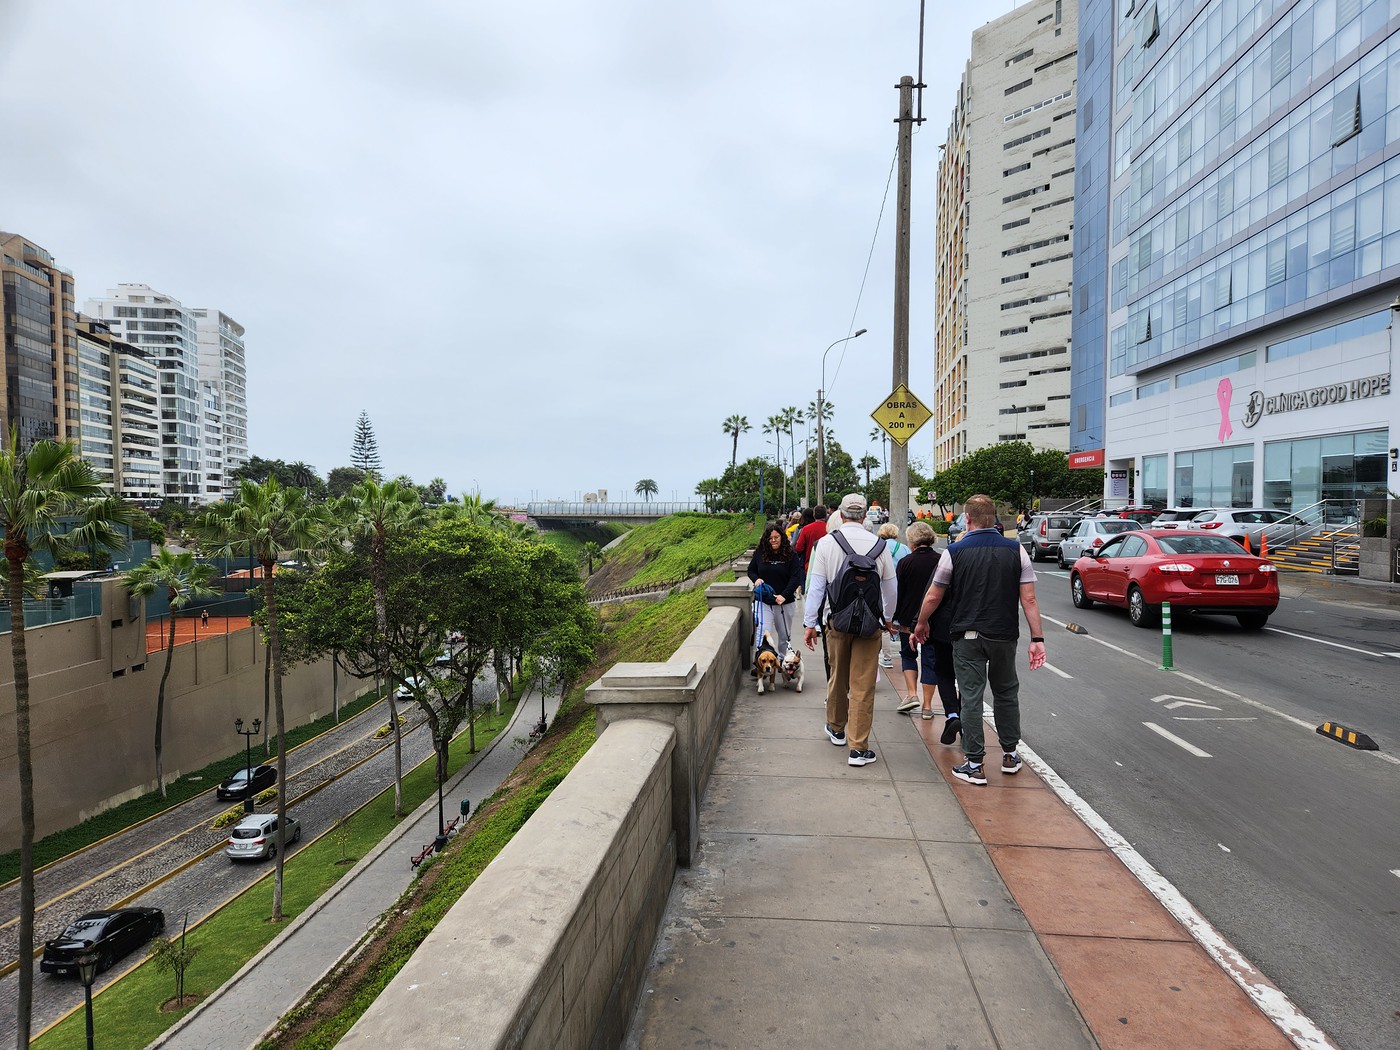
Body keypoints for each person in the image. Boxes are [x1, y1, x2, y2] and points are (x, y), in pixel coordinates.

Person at [912, 493, 1046, 785]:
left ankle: (975, 763)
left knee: (971, 696)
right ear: (995, 518)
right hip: (1004, 634)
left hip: (967, 635)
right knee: (1006, 692)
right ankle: (1010, 755)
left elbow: (935, 594)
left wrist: (921, 623)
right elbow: (1030, 599)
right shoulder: (1016, 550)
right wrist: (1038, 638)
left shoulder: (955, 552)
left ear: (968, 519)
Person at [802, 493, 897, 768]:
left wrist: (811, 624)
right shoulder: (880, 545)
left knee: (837, 677)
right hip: (870, 626)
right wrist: (888, 618)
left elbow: (816, 587)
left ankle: (836, 728)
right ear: (865, 515)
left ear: (841, 515)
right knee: (863, 685)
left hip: (837, 622)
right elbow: (891, 588)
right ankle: (858, 748)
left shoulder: (826, 544)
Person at [890, 521, 960, 729]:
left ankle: (911, 694)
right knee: (931, 659)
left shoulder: (905, 562)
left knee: (908, 655)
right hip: (934, 619)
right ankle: (928, 706)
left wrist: (895, 617)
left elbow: (898, 592)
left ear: (912, 541)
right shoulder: (941, 560)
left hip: (907, 617)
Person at [747, 522, 803, 653]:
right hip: (764, 601)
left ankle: (784, 659)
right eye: (770, 538)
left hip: (784, 601)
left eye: (776, 537)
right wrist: (756, 579)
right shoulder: (760, 553)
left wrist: (784, 595)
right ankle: (760, 660)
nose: (773, 540)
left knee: (784, 635)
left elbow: (796, 577)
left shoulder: (791, 554)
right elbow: (751, 570)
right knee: (763, 632)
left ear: (781, 537)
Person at [875, 522, 908, 671]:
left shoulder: (877, 548)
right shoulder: (904, 548)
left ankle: (886, 657)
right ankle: (904, 652)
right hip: (900, 590)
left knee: (883, 623)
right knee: (897, 621)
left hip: (880, 589)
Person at [793, 504, 827, 577]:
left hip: (808, 567)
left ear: (814, 515)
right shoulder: (830, 529)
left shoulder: (806, 529)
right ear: (826, 515)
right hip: (827, 567)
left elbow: (799, 548)